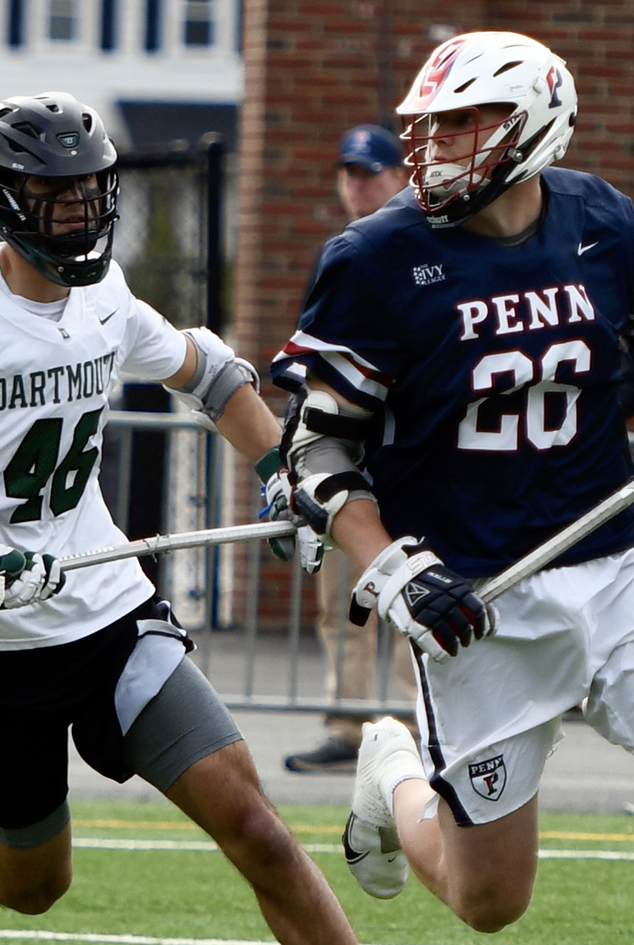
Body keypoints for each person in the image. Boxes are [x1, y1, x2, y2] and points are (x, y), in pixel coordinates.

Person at [273, 32, 634, 943]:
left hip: (617, 562)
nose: (437, 144)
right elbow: (320, 449)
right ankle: (393, 770)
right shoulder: (374, 256)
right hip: (477, 590)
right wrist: (394, 570)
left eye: (465, 121)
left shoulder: (598, 216)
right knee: (491, 900)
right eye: (431, 124)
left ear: (536, 122)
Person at [0, 92, 357, 942]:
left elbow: (210, 373)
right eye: (54, 194)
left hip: (106, 610)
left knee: (257, 829)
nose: (79, 211)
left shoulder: (105, 295)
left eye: (90, 190)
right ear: (2, 199)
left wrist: (284, 471)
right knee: (31, 884)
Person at [283, 123, 418, 773]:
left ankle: (420, 724)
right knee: (343, 601)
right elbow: (312, 357)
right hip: (346, 454)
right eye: (350, 173)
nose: (358, 185)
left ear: (401, 176)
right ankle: (349, 726)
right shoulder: (338, 253)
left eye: (371, 172)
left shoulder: (426, 243)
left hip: (410, 451)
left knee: (417, 587)